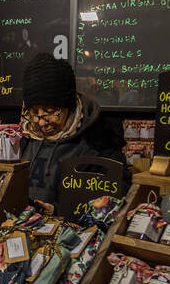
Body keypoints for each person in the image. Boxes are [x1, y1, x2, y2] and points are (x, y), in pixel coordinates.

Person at [19, 54, 122, 206]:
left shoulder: (98, 142)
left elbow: (108, 202)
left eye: (50, 111)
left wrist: (57, 212)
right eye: (34, 112)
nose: (41, 122)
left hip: (70, 228)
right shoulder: (23, 137)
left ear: (69, 105)